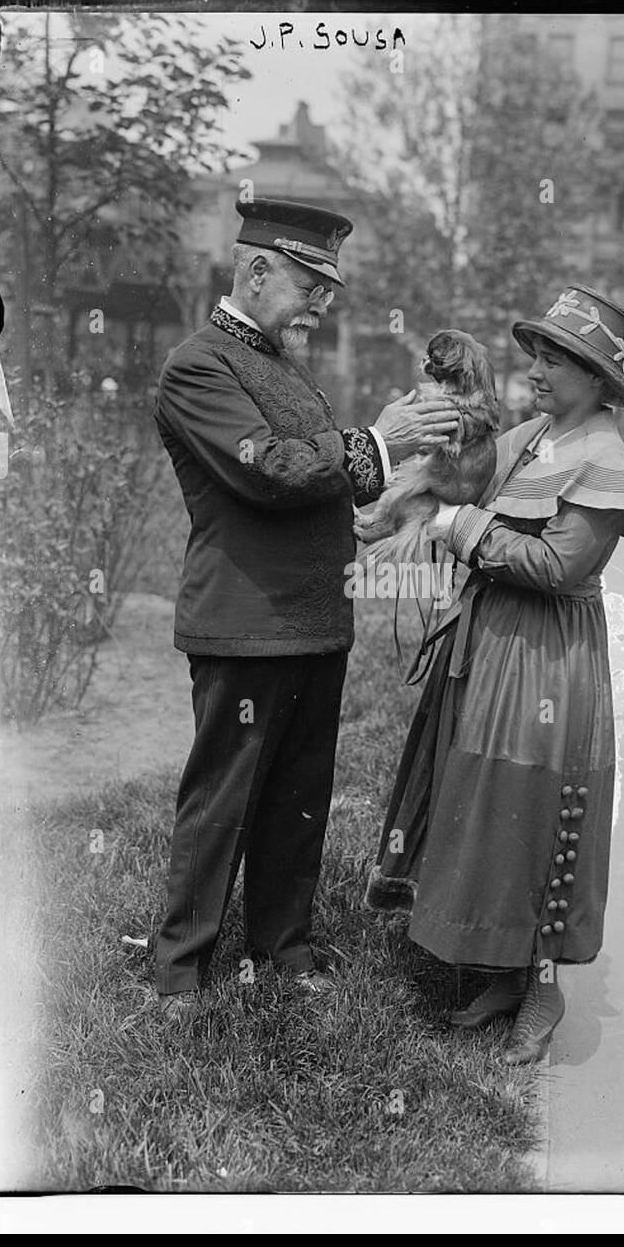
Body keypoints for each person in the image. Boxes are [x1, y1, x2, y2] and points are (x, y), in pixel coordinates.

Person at [153, 197, 460, 1022]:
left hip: (316, 623)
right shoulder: (197, 365)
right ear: (255, 272)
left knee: (299, 797)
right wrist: (384, 440)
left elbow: (315, 489)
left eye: (329, 288)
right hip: (244, 625)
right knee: (223, 798)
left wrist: (378, 511)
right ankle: (180, 969)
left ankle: (282, 949)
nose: (323, 302)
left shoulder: (283, 366)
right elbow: (273, 471)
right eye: (309, 282)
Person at [365, 285, 624, 1063]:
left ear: (601, 381)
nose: (539, 369)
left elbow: (560, 565)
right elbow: (463, 477)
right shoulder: (531, 435)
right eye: (537, 354)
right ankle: (499, 970)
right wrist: (430, 449)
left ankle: (544, 988)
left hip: (548, 658)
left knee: (536, 803)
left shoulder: (601, 457)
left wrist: (458, 525)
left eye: (558, 359)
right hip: (488, 640)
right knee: (485, 798)